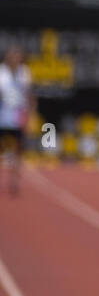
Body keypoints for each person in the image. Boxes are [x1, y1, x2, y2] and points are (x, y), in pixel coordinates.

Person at [0, 46, 35, 195]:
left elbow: (29, 94)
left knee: (19, 149)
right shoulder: (1, 72)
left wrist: (31, 114)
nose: (15, 59)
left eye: (17, 56)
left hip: (18, 115)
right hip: (2, 114)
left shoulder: (24, 72)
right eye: (12, 56)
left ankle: (14, 180)